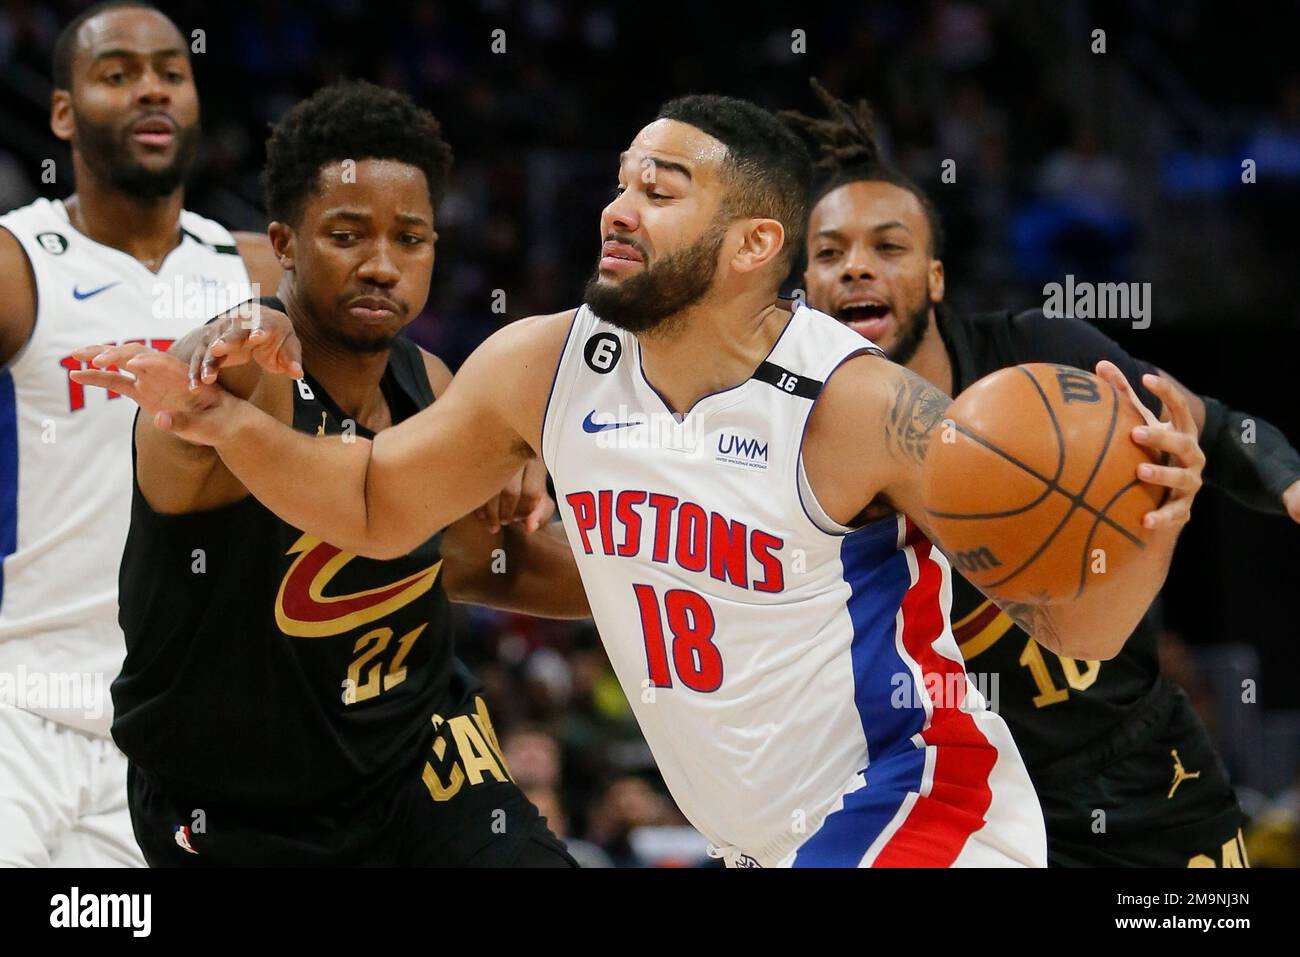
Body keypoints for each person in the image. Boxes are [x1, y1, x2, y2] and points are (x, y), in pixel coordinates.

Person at [77, 94, 1208, 868]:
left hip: (918, 810)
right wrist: (222, 421)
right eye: (620, 182)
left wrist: (1149, 522)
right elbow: (374, 505)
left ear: (755, 243)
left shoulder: (859, 407)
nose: (617, 208)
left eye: (659, 191)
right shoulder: (544, 362)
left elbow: (1077, 630)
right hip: (763, 843)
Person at [787, 81, 1300, 866]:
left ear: (934, 277)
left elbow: (1221, 425)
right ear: (804, 289)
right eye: (830, 253)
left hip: (1133, 773)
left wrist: (1290, 482)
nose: (857, 268)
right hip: (948, 797)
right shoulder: (793, 434)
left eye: (888, 247)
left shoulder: (1044, 353)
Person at [77, 79, 588, 866]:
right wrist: (223, 334)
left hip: (415, 756)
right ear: (282, 244)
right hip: (232, 801)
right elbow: (193, 389)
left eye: (410, 239)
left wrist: (672, 575)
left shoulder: (434, 384)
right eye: (347, 235)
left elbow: (476, 560)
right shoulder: (250, 375)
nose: (382, 265)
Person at [0, 0, 282, 866]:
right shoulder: (20, 260)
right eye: (117, 73)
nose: (150, 89)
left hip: (177, 727)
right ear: (62, 112)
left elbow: (395, 387)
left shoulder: (256, 269)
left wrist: (510, 456)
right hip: (20, 705)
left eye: (170, 71)